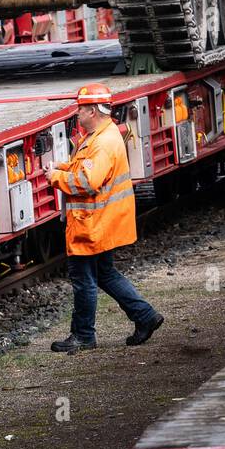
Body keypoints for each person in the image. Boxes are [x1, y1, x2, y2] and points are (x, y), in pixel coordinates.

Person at [47, 83, 164, 352]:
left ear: (93, 111)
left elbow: (88, 182)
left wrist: (55, 177)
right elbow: (85, 167)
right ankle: (145, 316)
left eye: (81, 109)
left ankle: (83, 335)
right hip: (99, 222)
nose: (77, 114)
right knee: (105, 274)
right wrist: (62, 166)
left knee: (83, 279)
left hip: (91, 225)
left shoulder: (102, 142)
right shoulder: (103, 134)